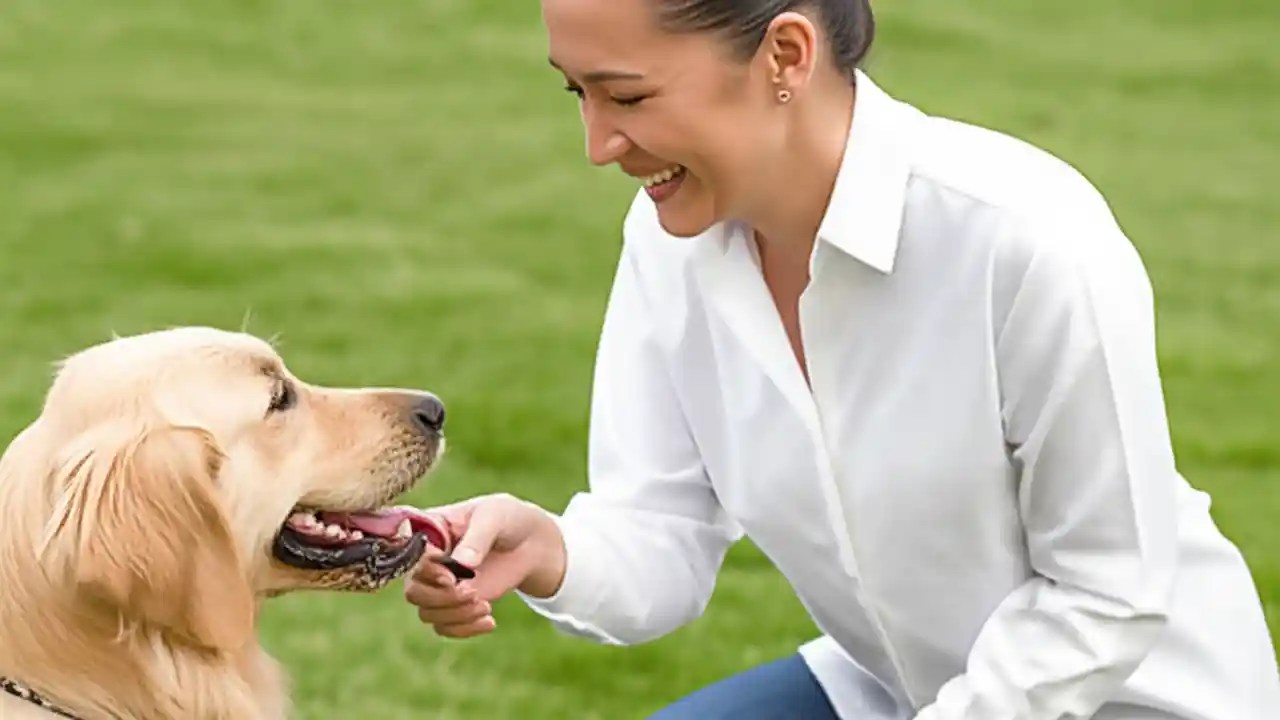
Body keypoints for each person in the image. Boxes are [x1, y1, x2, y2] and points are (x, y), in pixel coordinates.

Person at [404, 0, 1280, 717]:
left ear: (786, 54)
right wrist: (549, 548)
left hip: (1134, 701)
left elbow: (1107, 596)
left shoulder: (1028, 243)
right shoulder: (673, 242)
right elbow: (661, 534)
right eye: (577, 95)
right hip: (898, 688)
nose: (598, 145)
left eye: (627, 98)